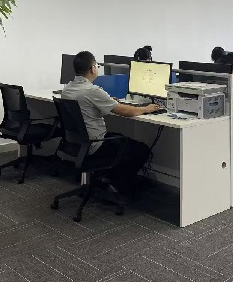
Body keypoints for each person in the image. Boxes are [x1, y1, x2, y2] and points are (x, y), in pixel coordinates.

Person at [62, 51, 160, 195]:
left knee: (121, 139)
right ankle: (118, 186)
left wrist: (108, 100)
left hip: (76, 143)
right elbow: (123, 111)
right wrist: (146, 109)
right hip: (95, 145)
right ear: (93, 69)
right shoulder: (92, 90)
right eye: (97, 66)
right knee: (141, 150)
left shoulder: (67, 88)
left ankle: (106, 178)